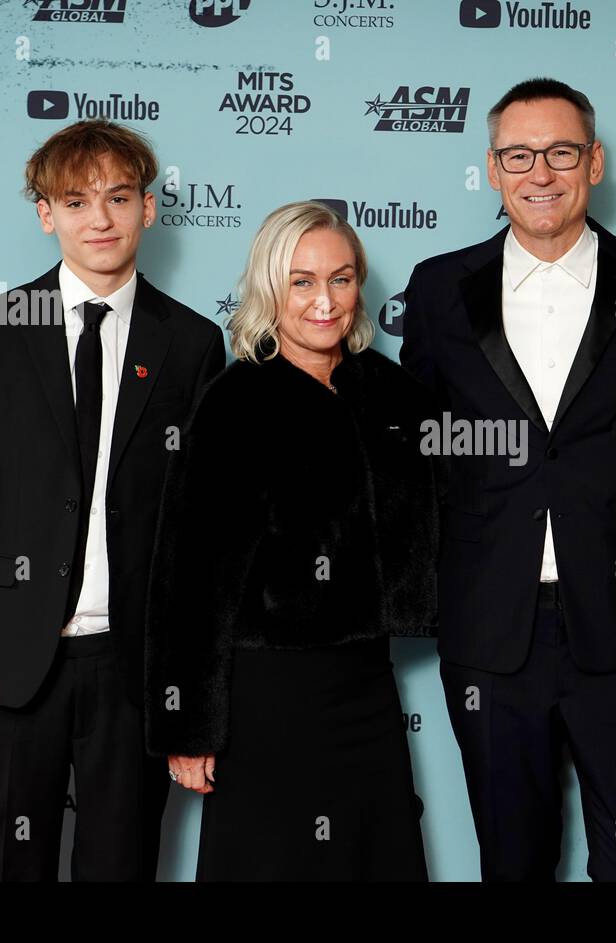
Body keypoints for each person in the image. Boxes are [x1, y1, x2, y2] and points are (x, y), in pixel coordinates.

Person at [400, 78, 616, 881]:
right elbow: (420, 452)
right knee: (514, 857)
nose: (542, 173)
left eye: (562, 152)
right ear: (493, 171)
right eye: (519, 155)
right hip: (491, 629)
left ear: (594, 162)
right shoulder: (439, 288)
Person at [0, 119, 225, 881]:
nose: (100, 219)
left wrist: (191, 694)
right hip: (13, 667)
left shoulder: (192, 344)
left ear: (148, 210)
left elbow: (200, 541)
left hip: (133, 671)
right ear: (45, 214)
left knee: (121, 868)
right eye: (76, 200)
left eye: (119, 198)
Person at [145, 201, 437, 881]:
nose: (324, 301)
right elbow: (188, 575)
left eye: (340, 278)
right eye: (302, 281)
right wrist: (188, 726)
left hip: (366, 685)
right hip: (265, 697)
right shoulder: (235, 400)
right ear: (269, 288)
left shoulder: (391, 393)